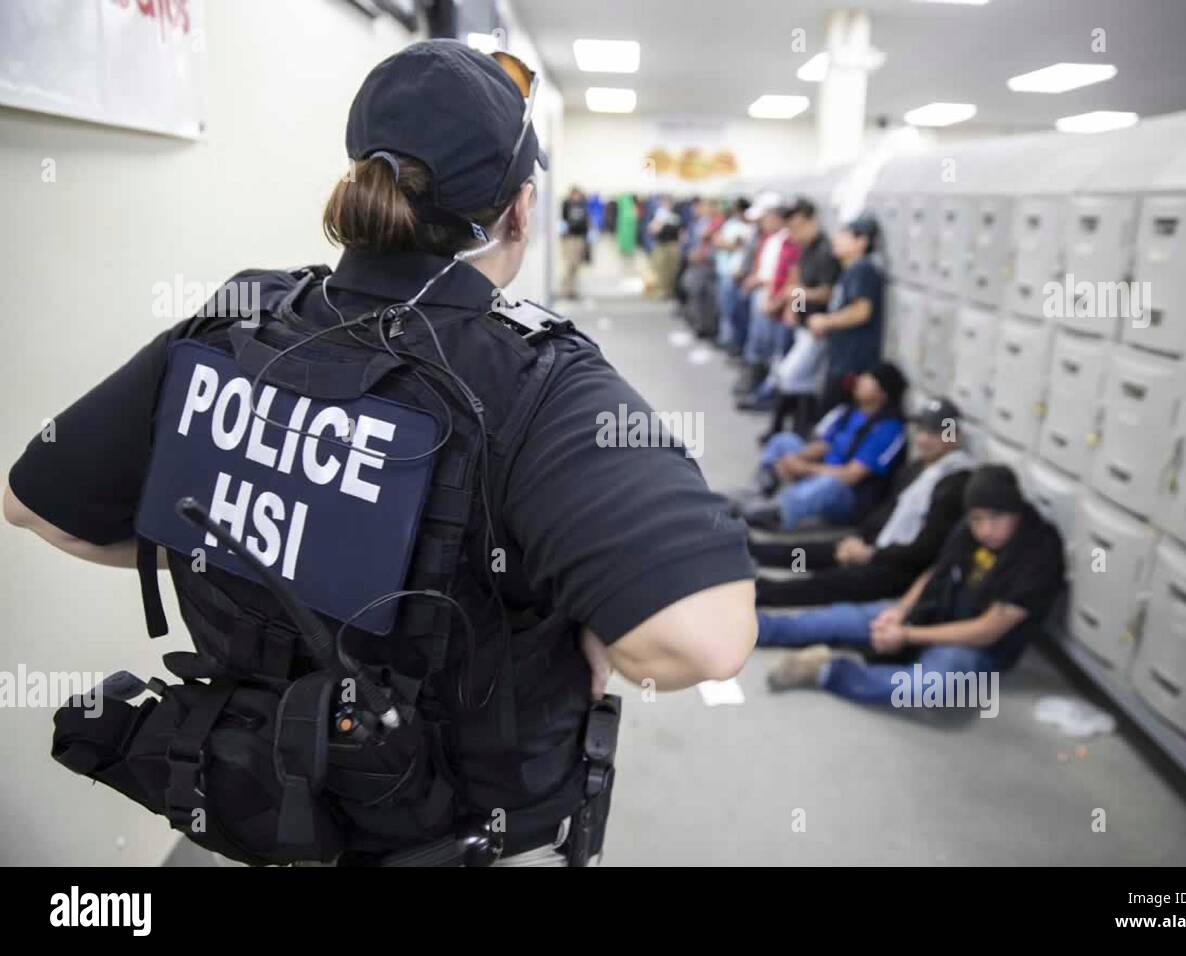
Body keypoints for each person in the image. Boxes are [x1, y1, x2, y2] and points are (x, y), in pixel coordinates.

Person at [3, 39, 757, 867]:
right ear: (521, 210)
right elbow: (703, 639)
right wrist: (598, 634)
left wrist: (238, 533)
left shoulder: (242, 313)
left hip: (244, 800)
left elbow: (39, 508)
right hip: (451, 836)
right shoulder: (536, 378)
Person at [761, 465, 1065, 709]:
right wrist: (901, 610)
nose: (985, 530)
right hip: (933, 613)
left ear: (1016, 510)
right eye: (977, 520)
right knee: (836, 618)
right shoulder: (969, 529)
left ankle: (825, 671)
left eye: (997, 518)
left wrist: (907, 635)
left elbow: (989, 629)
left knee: (929, 687)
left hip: (973, 646)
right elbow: (936, 571)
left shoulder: (1039, 550)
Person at [751, 396, 973, 607]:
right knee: (811, 554)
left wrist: (871, 554)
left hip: (900, 568)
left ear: (953, 436)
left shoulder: (955, 481)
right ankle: (755, 553)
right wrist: (858, 540)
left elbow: (925, 548)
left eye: (935, 433)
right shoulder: (917, 468)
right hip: (877, 547)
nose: (924, 439)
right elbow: (887, 512)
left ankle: (764, 592)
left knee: (830, 582)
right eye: (922, 430)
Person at [744, 362, 908, 531]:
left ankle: (779, 513)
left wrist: (804, 468)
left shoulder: (889, 429)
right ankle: (759, 490)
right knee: (784, 441)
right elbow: (825, 444)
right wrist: (796, 459)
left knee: (829, 484)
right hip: (823, 471)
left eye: (868, 380)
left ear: (883, 393)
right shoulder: (849, 411)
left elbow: (851, 475)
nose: (859, 381)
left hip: (849, 495)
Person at [753, 198, 841, 434]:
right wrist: (794, 307)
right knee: (804, 382)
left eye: (795, 227)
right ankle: (796, 429)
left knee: (789, 376)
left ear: (806, 221)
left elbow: (826, 292)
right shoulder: (807, 250)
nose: (792, 234)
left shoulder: (825, 251)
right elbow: (799, 280)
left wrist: (799, 294)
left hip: (818, 328)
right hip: (803, 324)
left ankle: (779, 428)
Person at [808, 215, 885, 416]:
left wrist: (826, 321)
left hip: (852, 363)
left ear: (862, 242)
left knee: (833, 414)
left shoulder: (863, 269)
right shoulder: (850, 270)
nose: (836, 239)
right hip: (842, 358)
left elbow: (862, 311)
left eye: (844, 235)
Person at [734, 193, 798, 401]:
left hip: (786, 307)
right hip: (774, 302)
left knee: (781, 353)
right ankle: (763, 389)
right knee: (764, 345)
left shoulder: (793, 244)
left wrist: (793, 308)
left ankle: (774, 395)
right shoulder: (772, 240)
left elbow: (798, 283)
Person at [713, 198, 753, 352]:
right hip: (796, 301)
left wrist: (797, 308)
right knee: (730, 310)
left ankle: (739, 346)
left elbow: (800, 287)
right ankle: (733, 342)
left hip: (795, 301)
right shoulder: (732, 225)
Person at [559, 185, 589, 300]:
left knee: (576, 265)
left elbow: (586, 222)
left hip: (580, 238)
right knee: (570, 264)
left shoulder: (582, 205)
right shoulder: (567, 204)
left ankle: (573, 289)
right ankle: (566, 289)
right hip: (570, 238)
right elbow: (564, 219)